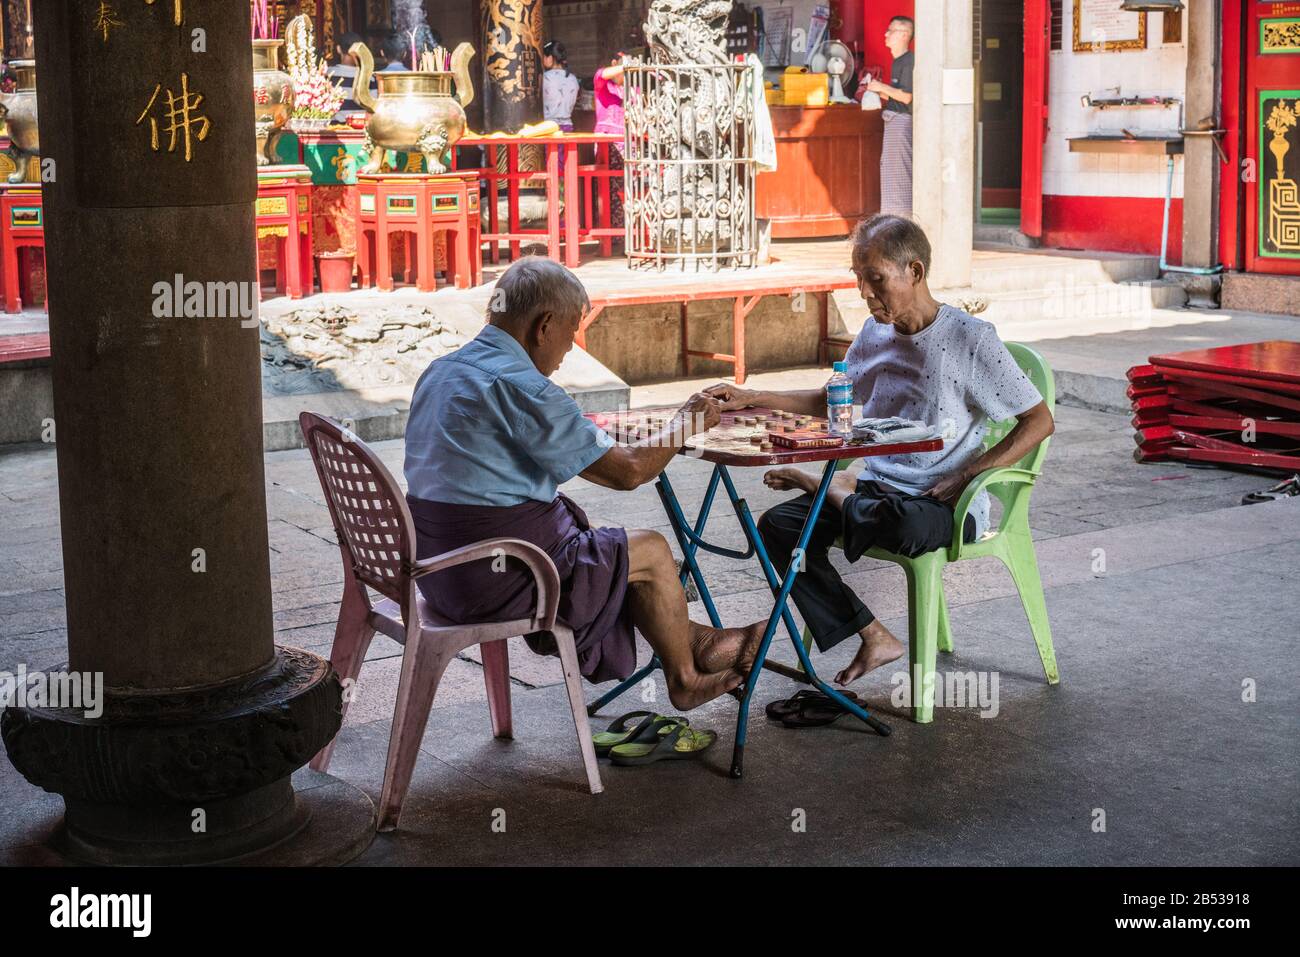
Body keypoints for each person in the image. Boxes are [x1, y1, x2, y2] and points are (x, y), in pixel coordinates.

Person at [706, 215, 1054, 687]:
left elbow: (1039, 421)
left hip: (941, 501)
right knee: (777, 528)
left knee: (907, 525)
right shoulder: (875, 334)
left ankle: (832, 491)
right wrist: (756, 397)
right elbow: (833, 398)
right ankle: (873, 634)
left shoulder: (970, 340)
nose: (866, 294)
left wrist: (969, 475)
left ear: (914, 271)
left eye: (876, 280)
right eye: (859, 280)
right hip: (877, 489)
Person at [403, 257, 766, 709]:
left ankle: (697, 638)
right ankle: (686, 678)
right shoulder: (524, 389)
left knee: (608, 548)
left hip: (439, 571)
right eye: (571, 332)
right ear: (545, 325)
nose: (569, 348)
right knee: (648, 550)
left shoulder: (442, 371)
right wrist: (685, 421)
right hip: (494, 578)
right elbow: (630, 471)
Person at [867, 16, 914, 216]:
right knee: (890, 170)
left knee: (898, 171)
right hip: (893, 120)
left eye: (891, 31)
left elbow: (906, 97)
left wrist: (880, 87)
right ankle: (892, 215)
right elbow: (895, 96)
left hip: (901, 122)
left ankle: (900, 217)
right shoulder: (897, 62)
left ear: (904, 35)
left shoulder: (909, 62)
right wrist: (878, 92)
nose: (886, 35)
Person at [593, 53, 627, 229]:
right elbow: (602, 74)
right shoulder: (603, 85)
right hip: (608, 144)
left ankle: (627, 233)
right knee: (609, 189)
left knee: (629, 189)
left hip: (628, 143)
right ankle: (610, 232)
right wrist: (626, 66)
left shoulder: (633, 89)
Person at [542, 41, 580, 133]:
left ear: (550, 58)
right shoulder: (573, 79)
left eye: (544, 57)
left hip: (548, 128)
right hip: (568, 127)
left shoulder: (544, 78)